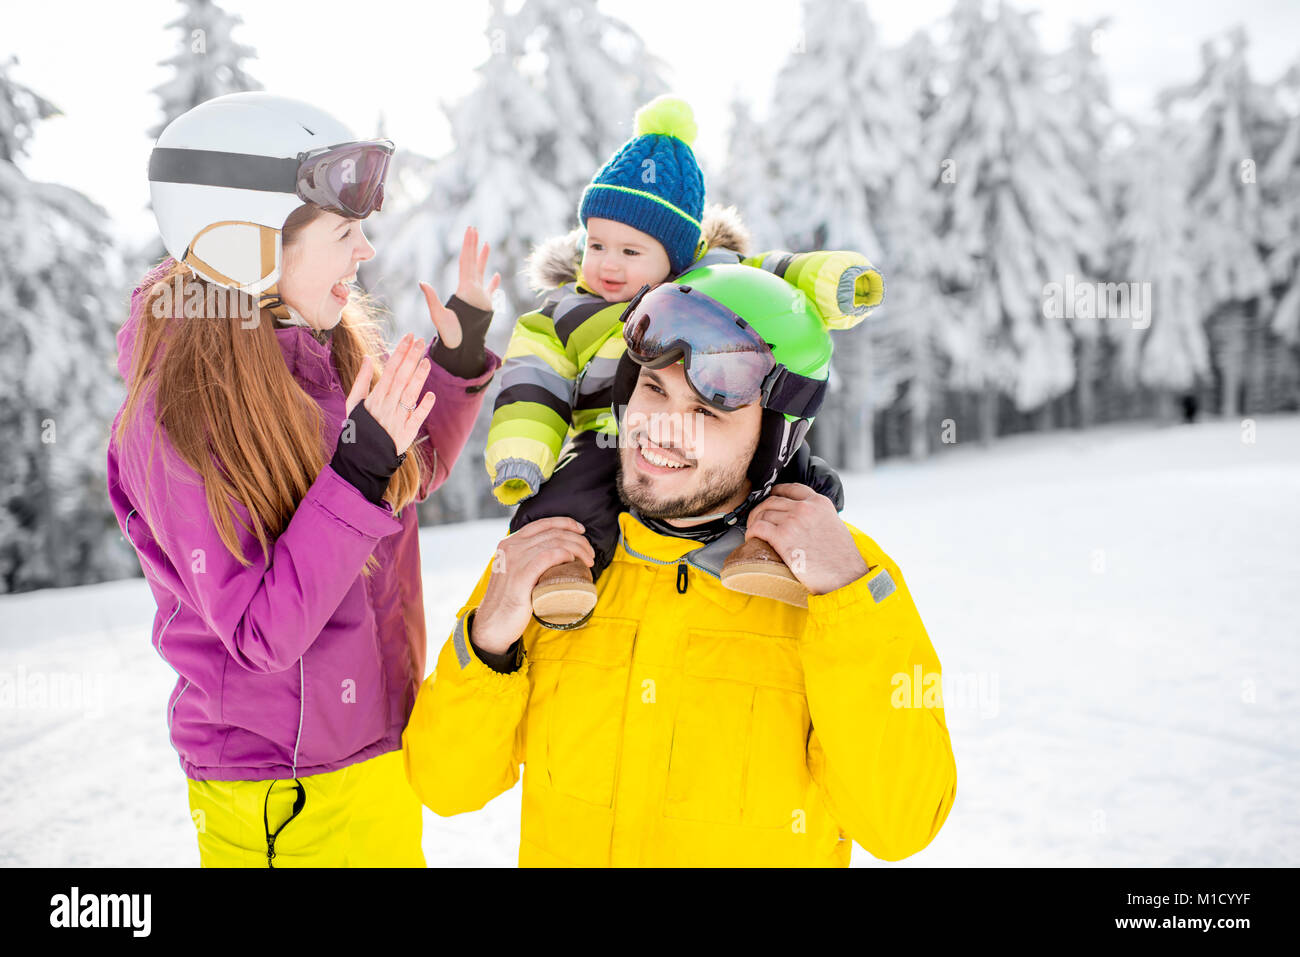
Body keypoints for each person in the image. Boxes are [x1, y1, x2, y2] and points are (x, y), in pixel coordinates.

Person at [404, 264, 956, 867]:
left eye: (709, 413)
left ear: (773, 438)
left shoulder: (841, 581)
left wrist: (847, 598)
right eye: (654, 390)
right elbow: (445, 785)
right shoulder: (553, 556)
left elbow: (899, 822)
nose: (662, 430)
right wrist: (488, 640)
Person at [106, 92, 502, 867]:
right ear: (248, 246)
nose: (366, 254)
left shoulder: (322, 352)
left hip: (375, 750)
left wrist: (456, 366)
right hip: (284, 789)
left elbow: (399, 478)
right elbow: (262, 632)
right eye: (345, 233)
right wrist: (357, 467)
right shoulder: (178, 418)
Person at [483, 95, 884, 627]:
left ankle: (769, 551)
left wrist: (836, 284)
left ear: (677, 256)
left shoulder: (703, 280)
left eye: (631, 252)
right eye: (596, 244)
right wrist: (521, 452)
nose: (607, 265)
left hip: (716, 405)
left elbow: (777, 275)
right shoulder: (561, 314)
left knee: (799, 474)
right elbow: (532, 383)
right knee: (566, 498)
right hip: (607, 436)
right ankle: (564, 575)